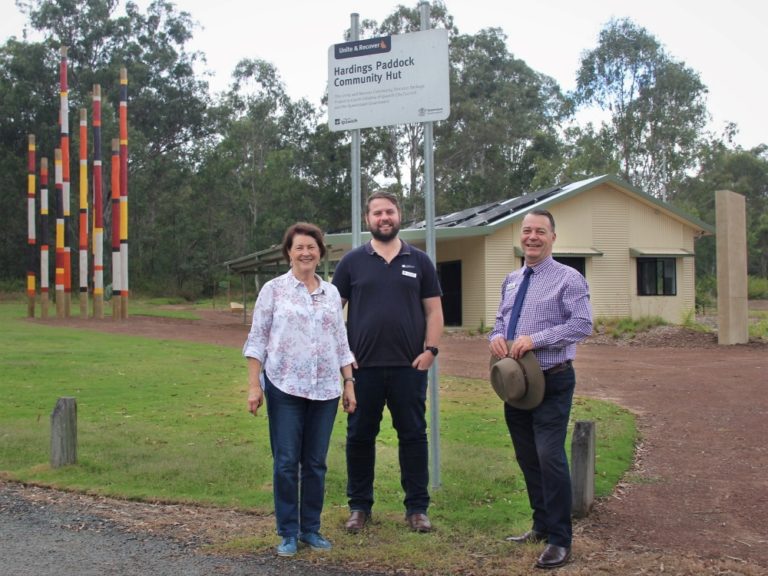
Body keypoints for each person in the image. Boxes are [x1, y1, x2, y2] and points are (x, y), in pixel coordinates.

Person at [332, 190, 444, 534]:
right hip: (362, 369)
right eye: (377, 212)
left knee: (413, 436)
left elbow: (434, 310)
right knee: (360, 437)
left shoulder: (420, 261)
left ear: (399, 216)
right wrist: (343, 362)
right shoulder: (352, 262)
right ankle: (359, 508)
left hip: (408, 368)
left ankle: (417, 509)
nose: (384, 217)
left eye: (389, 212)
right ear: (368, 219)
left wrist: (430, 351)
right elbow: (332, 312)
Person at [243, 222, 357, 558]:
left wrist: (348, 382)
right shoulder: (274, 290)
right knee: (286, 462)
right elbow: (257, 339)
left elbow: (340, 341)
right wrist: (254, 385)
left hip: (325, 390)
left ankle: (311, 528)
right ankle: (288, 532)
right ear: (289, 253)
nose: (305, 252)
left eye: (311, 247)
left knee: (316, 463)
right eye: (299, 247)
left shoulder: (332, 293)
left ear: (320, 251)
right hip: (284, 387)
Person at [488, 209, 593, 570]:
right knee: (527, 456)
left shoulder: (569, 279)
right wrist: (497, 338)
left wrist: (536, 339)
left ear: (553, 237)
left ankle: (560, 540)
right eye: (527, 231)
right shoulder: (512, 280)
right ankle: (541, 524)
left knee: (549, 456)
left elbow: (582, 324)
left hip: (552, 379)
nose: (532, 237)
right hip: (515, 382)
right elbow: (500, 322)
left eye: (540, 232)